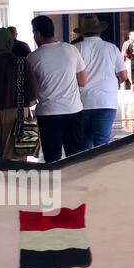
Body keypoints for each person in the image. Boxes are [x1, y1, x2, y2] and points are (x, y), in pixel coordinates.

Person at [28, 14, 86, 162]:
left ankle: (55, 184)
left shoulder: (33, 57)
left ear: (38, 34)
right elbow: (82, 81)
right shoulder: (71, 49)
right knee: (76, 158)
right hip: (73, 110)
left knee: (52, 158)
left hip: (48, 114)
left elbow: (31, 90)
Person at [0, 27, 39, 158]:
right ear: (11, 43)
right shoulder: (22, 64)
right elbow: (33, 94)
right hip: (19, 116)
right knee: (18, 163)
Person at [75, 14, 122, 150]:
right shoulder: (112, 48)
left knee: (83, 146)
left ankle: (85, 170)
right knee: (102, 146)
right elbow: (123, 74)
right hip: (106, 102)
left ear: (82, 31)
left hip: (82, 102)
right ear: (99, 30)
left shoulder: (75, 49)